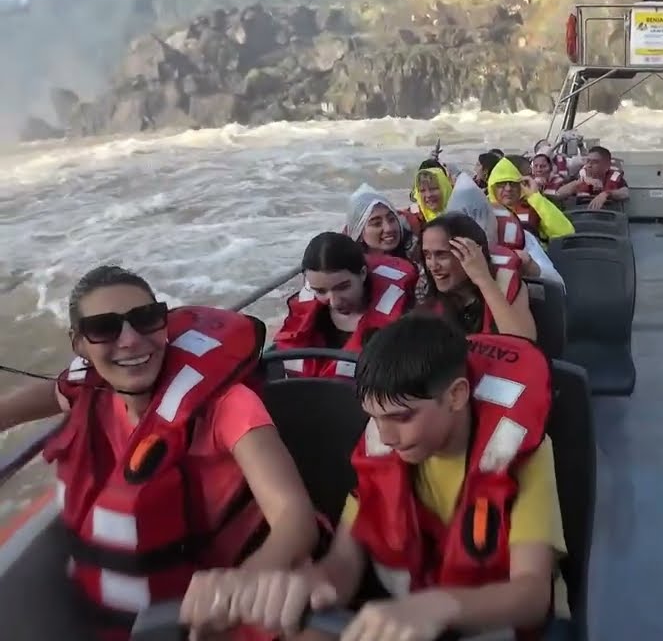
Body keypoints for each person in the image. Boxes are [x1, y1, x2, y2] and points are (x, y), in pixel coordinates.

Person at [180, 314, 573, 640]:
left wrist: (436, 607)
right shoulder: (384, 446)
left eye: (402, 417)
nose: (385, 435)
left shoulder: (522, 455)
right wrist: (311, 588)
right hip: (408, 615)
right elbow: (345, 564)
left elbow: (531, 593)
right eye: (375, 417)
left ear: (455, 396)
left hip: (495, 627)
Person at [0, 265, 323, 640]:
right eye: (105, 328)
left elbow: (294, 517)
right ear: (80, 345)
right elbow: (24, 403)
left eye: (145, 319)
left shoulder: (229, 405)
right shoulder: (85, 389)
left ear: (164, 323)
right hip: (127, 622)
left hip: (226, 611)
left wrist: (243, 581)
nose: (131, 340)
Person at [274, 232, 419, 378]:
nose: (334, 302)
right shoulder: (309, 313)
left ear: (362, 274)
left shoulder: (405, 314)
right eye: (320, 291)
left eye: (342, 287)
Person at [418, 213, 537, 340]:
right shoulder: (426, 293)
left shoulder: (505, 281)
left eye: (442, 254)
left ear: (473, 253)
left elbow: (524, 343)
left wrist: (483, 279)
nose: (433, 266)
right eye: (427, 255)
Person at [447, 173, 563, 287]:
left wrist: (531, 267)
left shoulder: (521, 237)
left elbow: (558, 284)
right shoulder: (439, 242)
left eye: (480, 215)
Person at [487, 156, 576, 242]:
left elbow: (565, 233)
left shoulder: (536, 206)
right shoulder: (483, 208)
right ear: (492, 186)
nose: (508, 189)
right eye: (501, 184)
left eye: (513, 183)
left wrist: (535, 197)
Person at [553, 146, 630, 212]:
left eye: (595, 162)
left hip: (607, 219)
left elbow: (625, 193)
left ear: (607, 165)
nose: (589, 165)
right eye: (588, 161)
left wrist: (606, 194)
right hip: (579, 218)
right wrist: (581, 181)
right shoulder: (580, 177)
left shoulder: (615, 178)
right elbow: (558, 195)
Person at [347, 184, 412, 260]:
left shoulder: (415, 256)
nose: (389, 228)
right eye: (377, 223)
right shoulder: (350, 269)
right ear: (359, 233)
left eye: (391, 219)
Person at [403, 160, 454, 238]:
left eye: (433, 188)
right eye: (422, 190)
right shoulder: (413, 218)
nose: (428, 195)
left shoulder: (459, 214)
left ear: (445, 189)